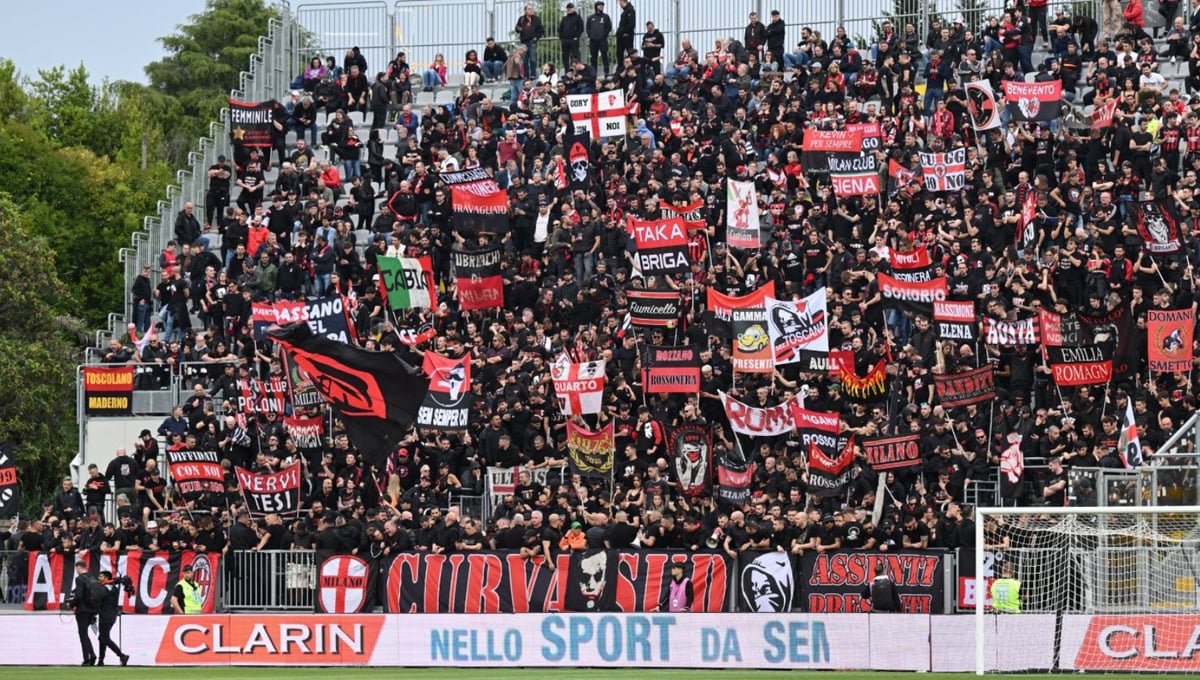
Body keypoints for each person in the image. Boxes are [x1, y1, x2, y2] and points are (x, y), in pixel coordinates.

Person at [95, 570, 131, 666]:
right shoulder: (114, 588)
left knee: (105, 638)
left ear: (106, 578)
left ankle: (122, 655)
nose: (99, 578)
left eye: (101, 576)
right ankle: (101, 660)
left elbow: (98, 600)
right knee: (102, 637)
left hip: (104, 616)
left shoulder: (103, 589)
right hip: (112, 616)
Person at [69, 561, 98, 666]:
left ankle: (87, 658)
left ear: (79, 567)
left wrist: (71, 604)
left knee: (83, 634)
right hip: (92, 610)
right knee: (85, 634)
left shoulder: (80, 579)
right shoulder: (92, 578)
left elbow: (78, 596)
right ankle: (91, 654)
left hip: (82, 610)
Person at [516, 4, 544, 78]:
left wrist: (536, 37)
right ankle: (526, 75)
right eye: (529, 9)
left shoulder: (536, 19)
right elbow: (517, 29)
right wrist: (518, 28)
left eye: (531, 9)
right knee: (524, 59)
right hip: (524, 41)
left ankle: (533, 74)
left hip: (532, 41)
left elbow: (541, 30)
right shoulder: (521, 19)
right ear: (525, 11)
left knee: (532, 58)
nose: (531, 10)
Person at [587, 1, 613, 77]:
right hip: (593, 41)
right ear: (596, 6)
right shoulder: (591, 17)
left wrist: (604, 35)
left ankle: (606, 71)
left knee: (604, 55)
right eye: (599, 5)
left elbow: (609, 27)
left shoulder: (606, 16)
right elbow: (588, 28)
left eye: (602, 5)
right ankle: (593, 73)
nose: (601, 6)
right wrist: (590, 35)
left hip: (602, 40)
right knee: (593, 57)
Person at [560, 3, 584, 67]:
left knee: (575, 57)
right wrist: (562, 38)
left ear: (573, 8)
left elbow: (581, 28)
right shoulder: (564, 18)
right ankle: (567, 72)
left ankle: (576, 72)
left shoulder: (578, 17)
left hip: (574, 40)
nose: (569, 9)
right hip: (565, 40)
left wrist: (576, 36)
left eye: (570, 8)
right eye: (568, 8)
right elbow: (560, 29)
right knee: (565, 57)